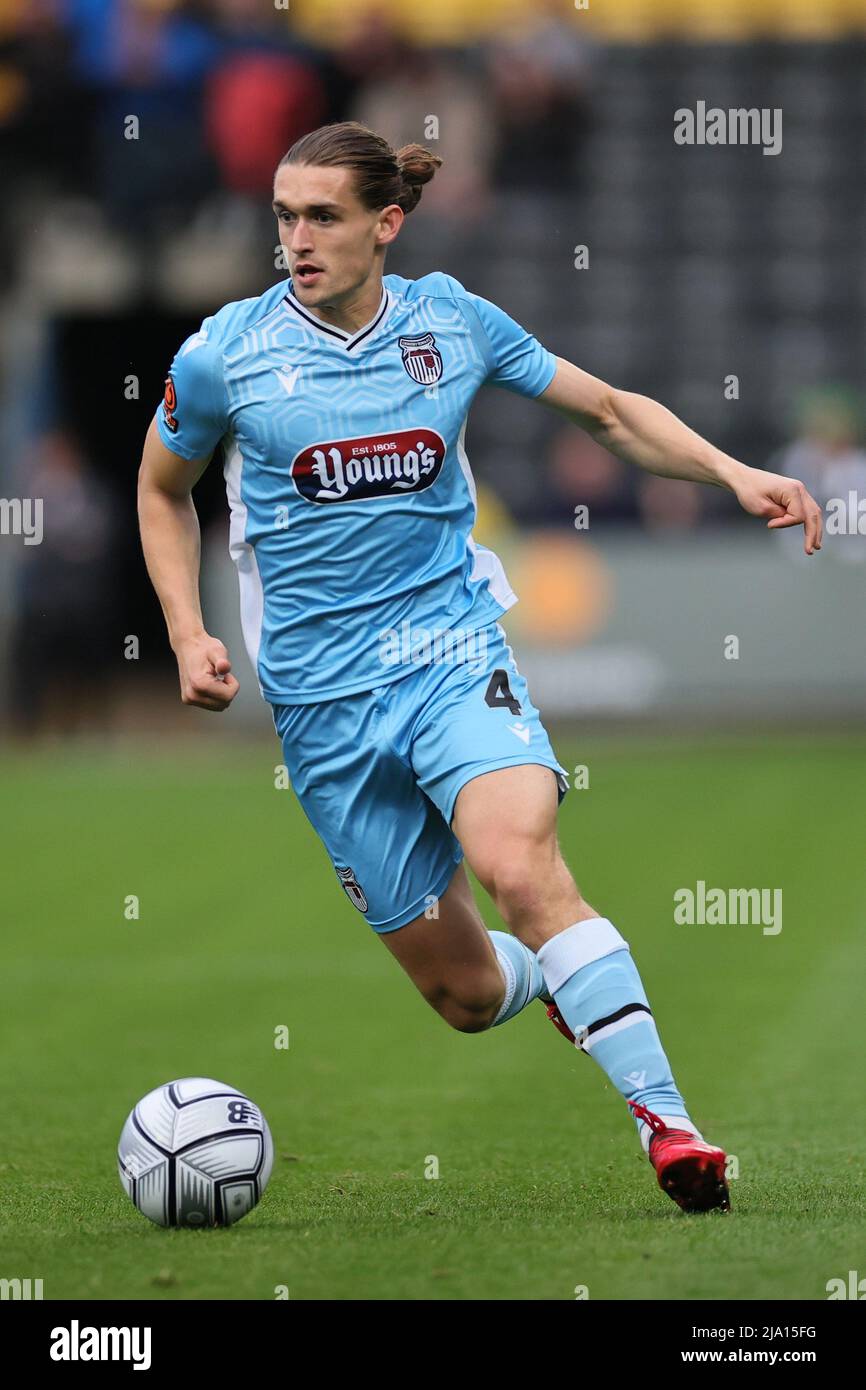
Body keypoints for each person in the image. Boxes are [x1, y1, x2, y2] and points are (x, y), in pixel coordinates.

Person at [137, 122, 823, 1214]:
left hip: (450, 651)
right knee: (461, 994)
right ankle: (558, 974)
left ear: (384, 225)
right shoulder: (224, 354)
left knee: (517, 861)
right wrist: (183, 628)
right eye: (282, 216)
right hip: (319, 703)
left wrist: (729, 472)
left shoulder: (449, 321)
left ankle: (671, 1128)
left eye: (321, 216)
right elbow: (162, 490)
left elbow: (605, 411)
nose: (296, 239)